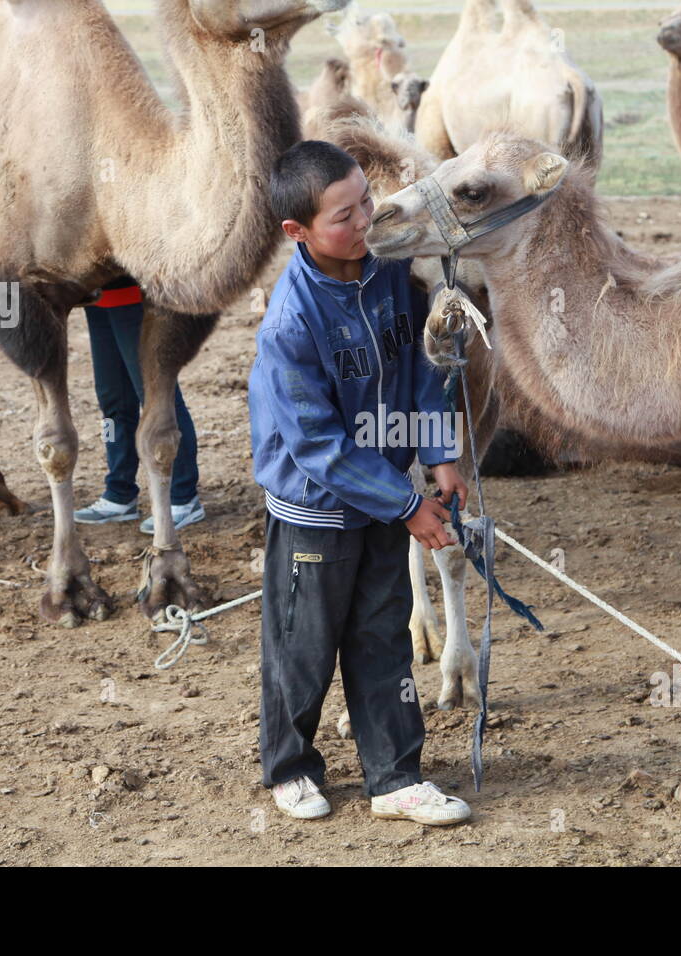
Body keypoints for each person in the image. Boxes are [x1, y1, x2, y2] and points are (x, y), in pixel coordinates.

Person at [248, 139, 471, 825]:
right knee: (303, 647)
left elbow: (423, 371)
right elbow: (316, 443)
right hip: (317, 508)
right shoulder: (291, 320)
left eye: (367, 201)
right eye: (344, 215)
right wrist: (409, 506)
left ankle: (396, 777)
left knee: (383, 640)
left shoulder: (392, 277)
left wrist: (440, 453)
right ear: (299, 232)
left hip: (386, 498)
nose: (366, 221)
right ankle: (289, 768)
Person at [73, 275, 205, 534]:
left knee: (158, 398)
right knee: (110, 402)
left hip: (137, 298)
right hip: (97, 299)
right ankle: (119, 491)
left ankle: (183, 497)